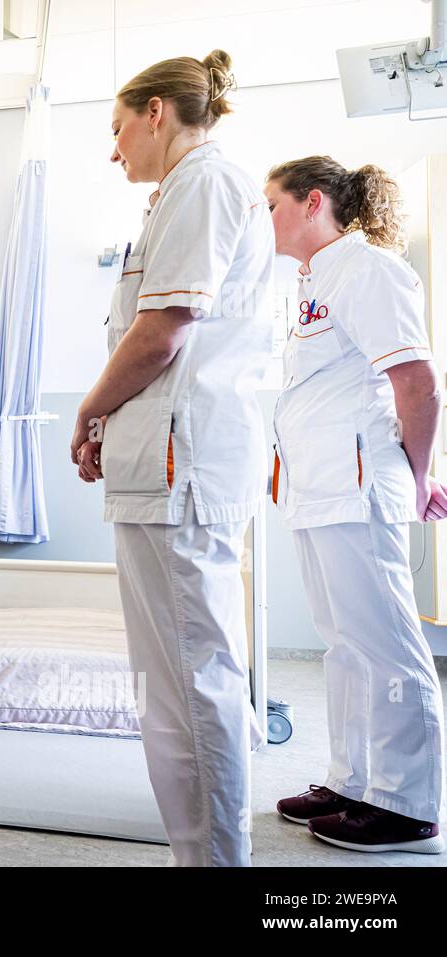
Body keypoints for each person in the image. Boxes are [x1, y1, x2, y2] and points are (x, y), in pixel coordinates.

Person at [70, 50, 275, 865]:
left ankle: (215, 859)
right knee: (178, 683)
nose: (112, 149)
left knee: (191, 684)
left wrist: (90, 409)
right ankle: (199, 851)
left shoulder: (203, 184)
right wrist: (107, 424)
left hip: (180, 471)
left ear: (157, 112)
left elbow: (163, 332)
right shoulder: (182, 195)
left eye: (118, 128)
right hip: (167, 468)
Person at [265, 156, 445, 854]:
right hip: (318, 487)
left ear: (314, 203)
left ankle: (406, 805)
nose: (266, 218)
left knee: (386, 645)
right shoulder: (317, 280)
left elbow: (417, 382)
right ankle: (354, 780)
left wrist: (420, 472)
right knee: (343, 644)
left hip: (359, 485)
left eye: (273, 203)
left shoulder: (367, 268)